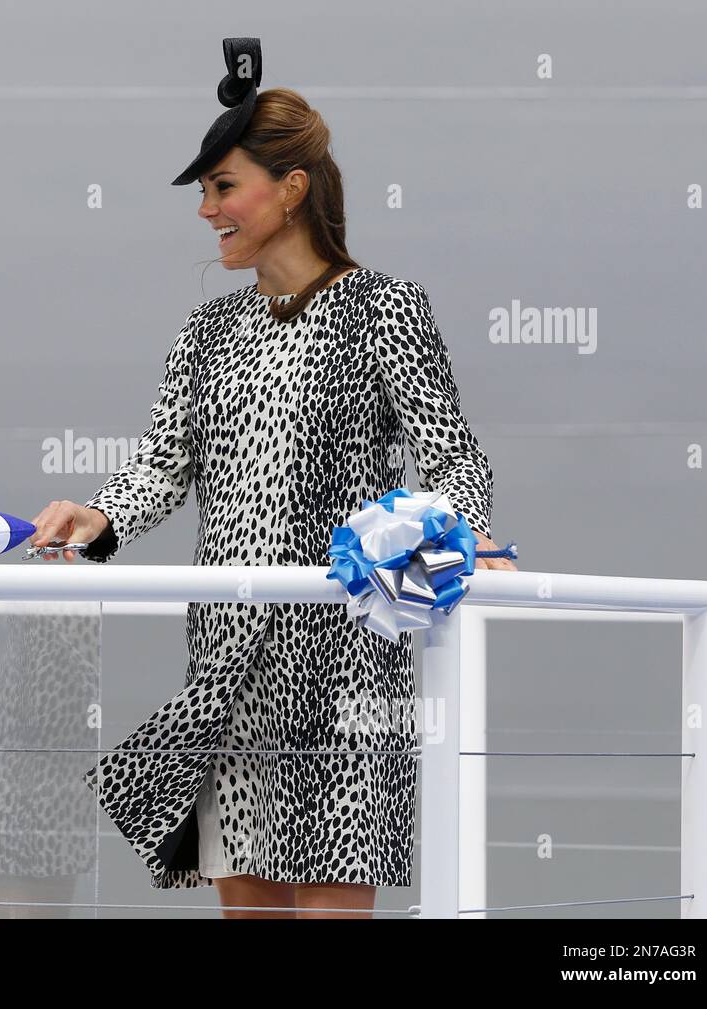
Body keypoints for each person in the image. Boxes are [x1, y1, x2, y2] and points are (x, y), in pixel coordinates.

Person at [29, 39, 517, 920]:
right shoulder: (208, 329)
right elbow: (161, 463)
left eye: (223, 187)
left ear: (290, 188)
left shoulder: (384, 307)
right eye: (206, 192)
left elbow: (452, 457)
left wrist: (460, 529)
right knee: (247, 906)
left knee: (332, 902)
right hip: (229, 654)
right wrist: (97, 518)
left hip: (346, 653)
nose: (208, 209)